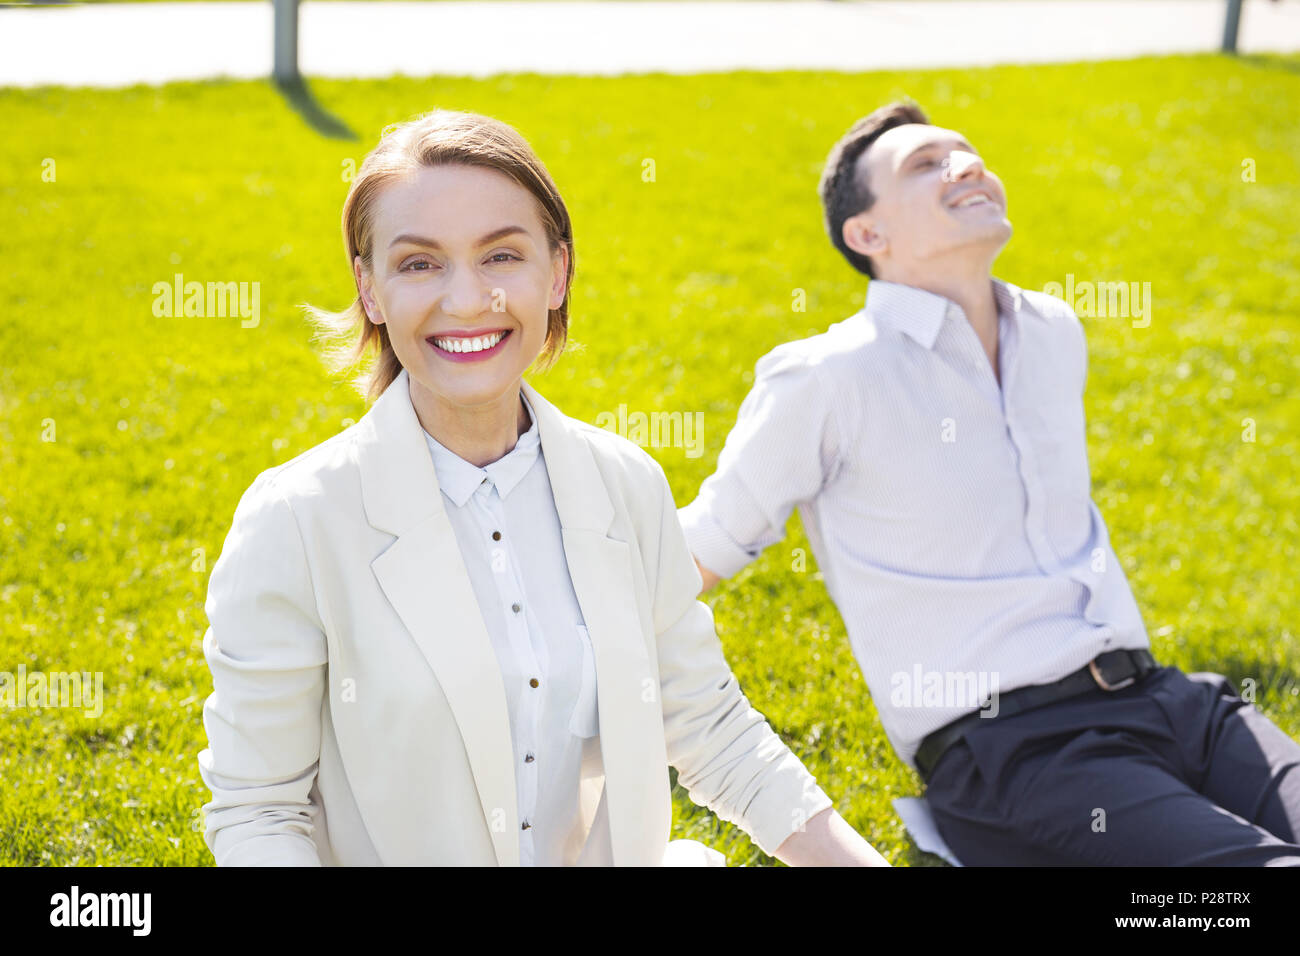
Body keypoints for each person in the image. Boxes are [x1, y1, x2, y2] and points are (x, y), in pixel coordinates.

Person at [196, 108, 889, 867]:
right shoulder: (295, 520)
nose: (467, 300)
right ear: (370, 289)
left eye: (501, 257)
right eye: (419, 263)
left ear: (555, 274)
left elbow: (712, 730)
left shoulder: (626, 485)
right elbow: (260, 814)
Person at [678, 100, 1300, 866]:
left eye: (967, 153)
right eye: (925, 165)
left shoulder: (1052, 331)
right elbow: (701, 549)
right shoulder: (827, 379)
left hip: (1176, 702)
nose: (966, 166)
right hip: (1020, 753)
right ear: (867, 234)